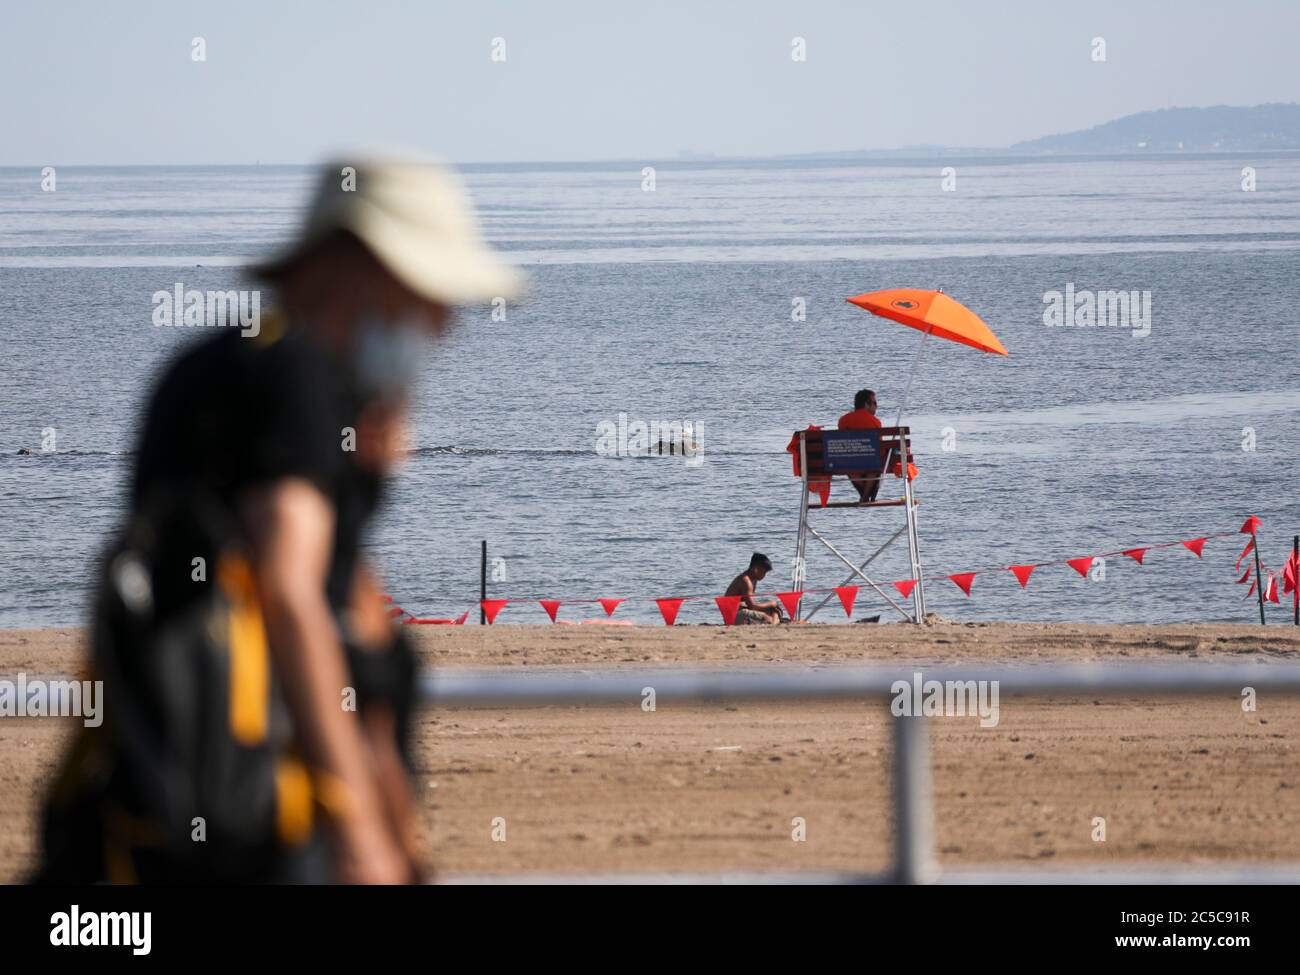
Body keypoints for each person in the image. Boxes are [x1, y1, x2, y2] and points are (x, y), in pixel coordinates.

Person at [35, 157, 522, 884]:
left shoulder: (231, 362)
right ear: (364, 265)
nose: (446, 323)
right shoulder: (297, 379)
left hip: (166, 785)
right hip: (256, 816)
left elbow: (339, 597)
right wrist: (362, 831)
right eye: (431, 290)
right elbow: (291, 592)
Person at [838, 388, 883, 503]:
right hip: (872, 462)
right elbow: (880, 446)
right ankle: (866, 495)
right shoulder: (875, 421)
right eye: (874, 403)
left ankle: (864, 494)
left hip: (849, 463)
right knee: (874, 465)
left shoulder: (843, 420)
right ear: (866, 405)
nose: (876, 406)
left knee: (850, 464)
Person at [725, 553, 784, 624]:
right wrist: (771, 604)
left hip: (742, 609)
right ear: (756, 568)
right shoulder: (746, 581)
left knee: (774, 610)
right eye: (764, 572)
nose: (764, 575)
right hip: (734, 615)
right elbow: (752, 606)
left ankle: (773, 621)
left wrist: (770, 607)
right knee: (767, 616)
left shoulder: (753, 579)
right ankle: (773, 622)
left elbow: (748, 604)